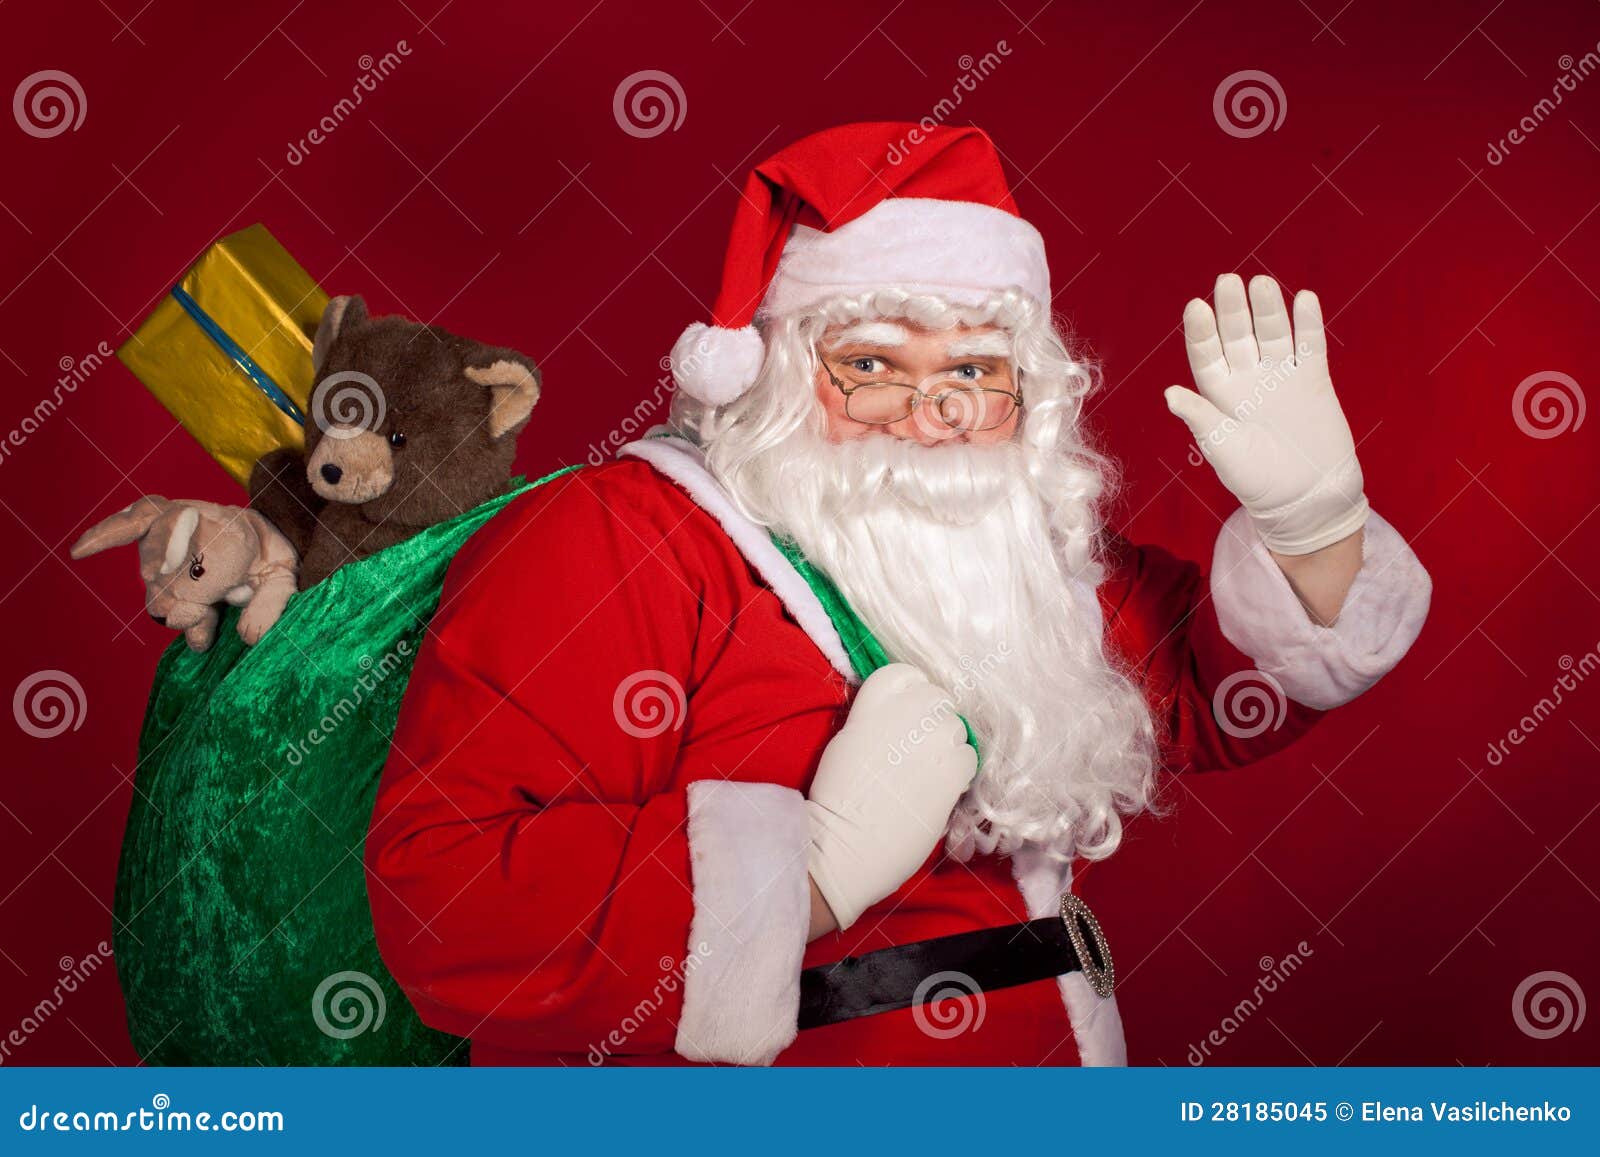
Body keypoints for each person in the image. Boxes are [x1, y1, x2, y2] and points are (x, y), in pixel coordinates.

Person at [366, 122, 1431, 1066]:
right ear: (777, 370)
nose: (931, 413)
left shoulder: (1013, 555)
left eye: (973, 370)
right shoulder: (618, 536)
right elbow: (443, 898)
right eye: (871, 363)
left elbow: (1216, 695)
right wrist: (812, 868)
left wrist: (1315, 526)